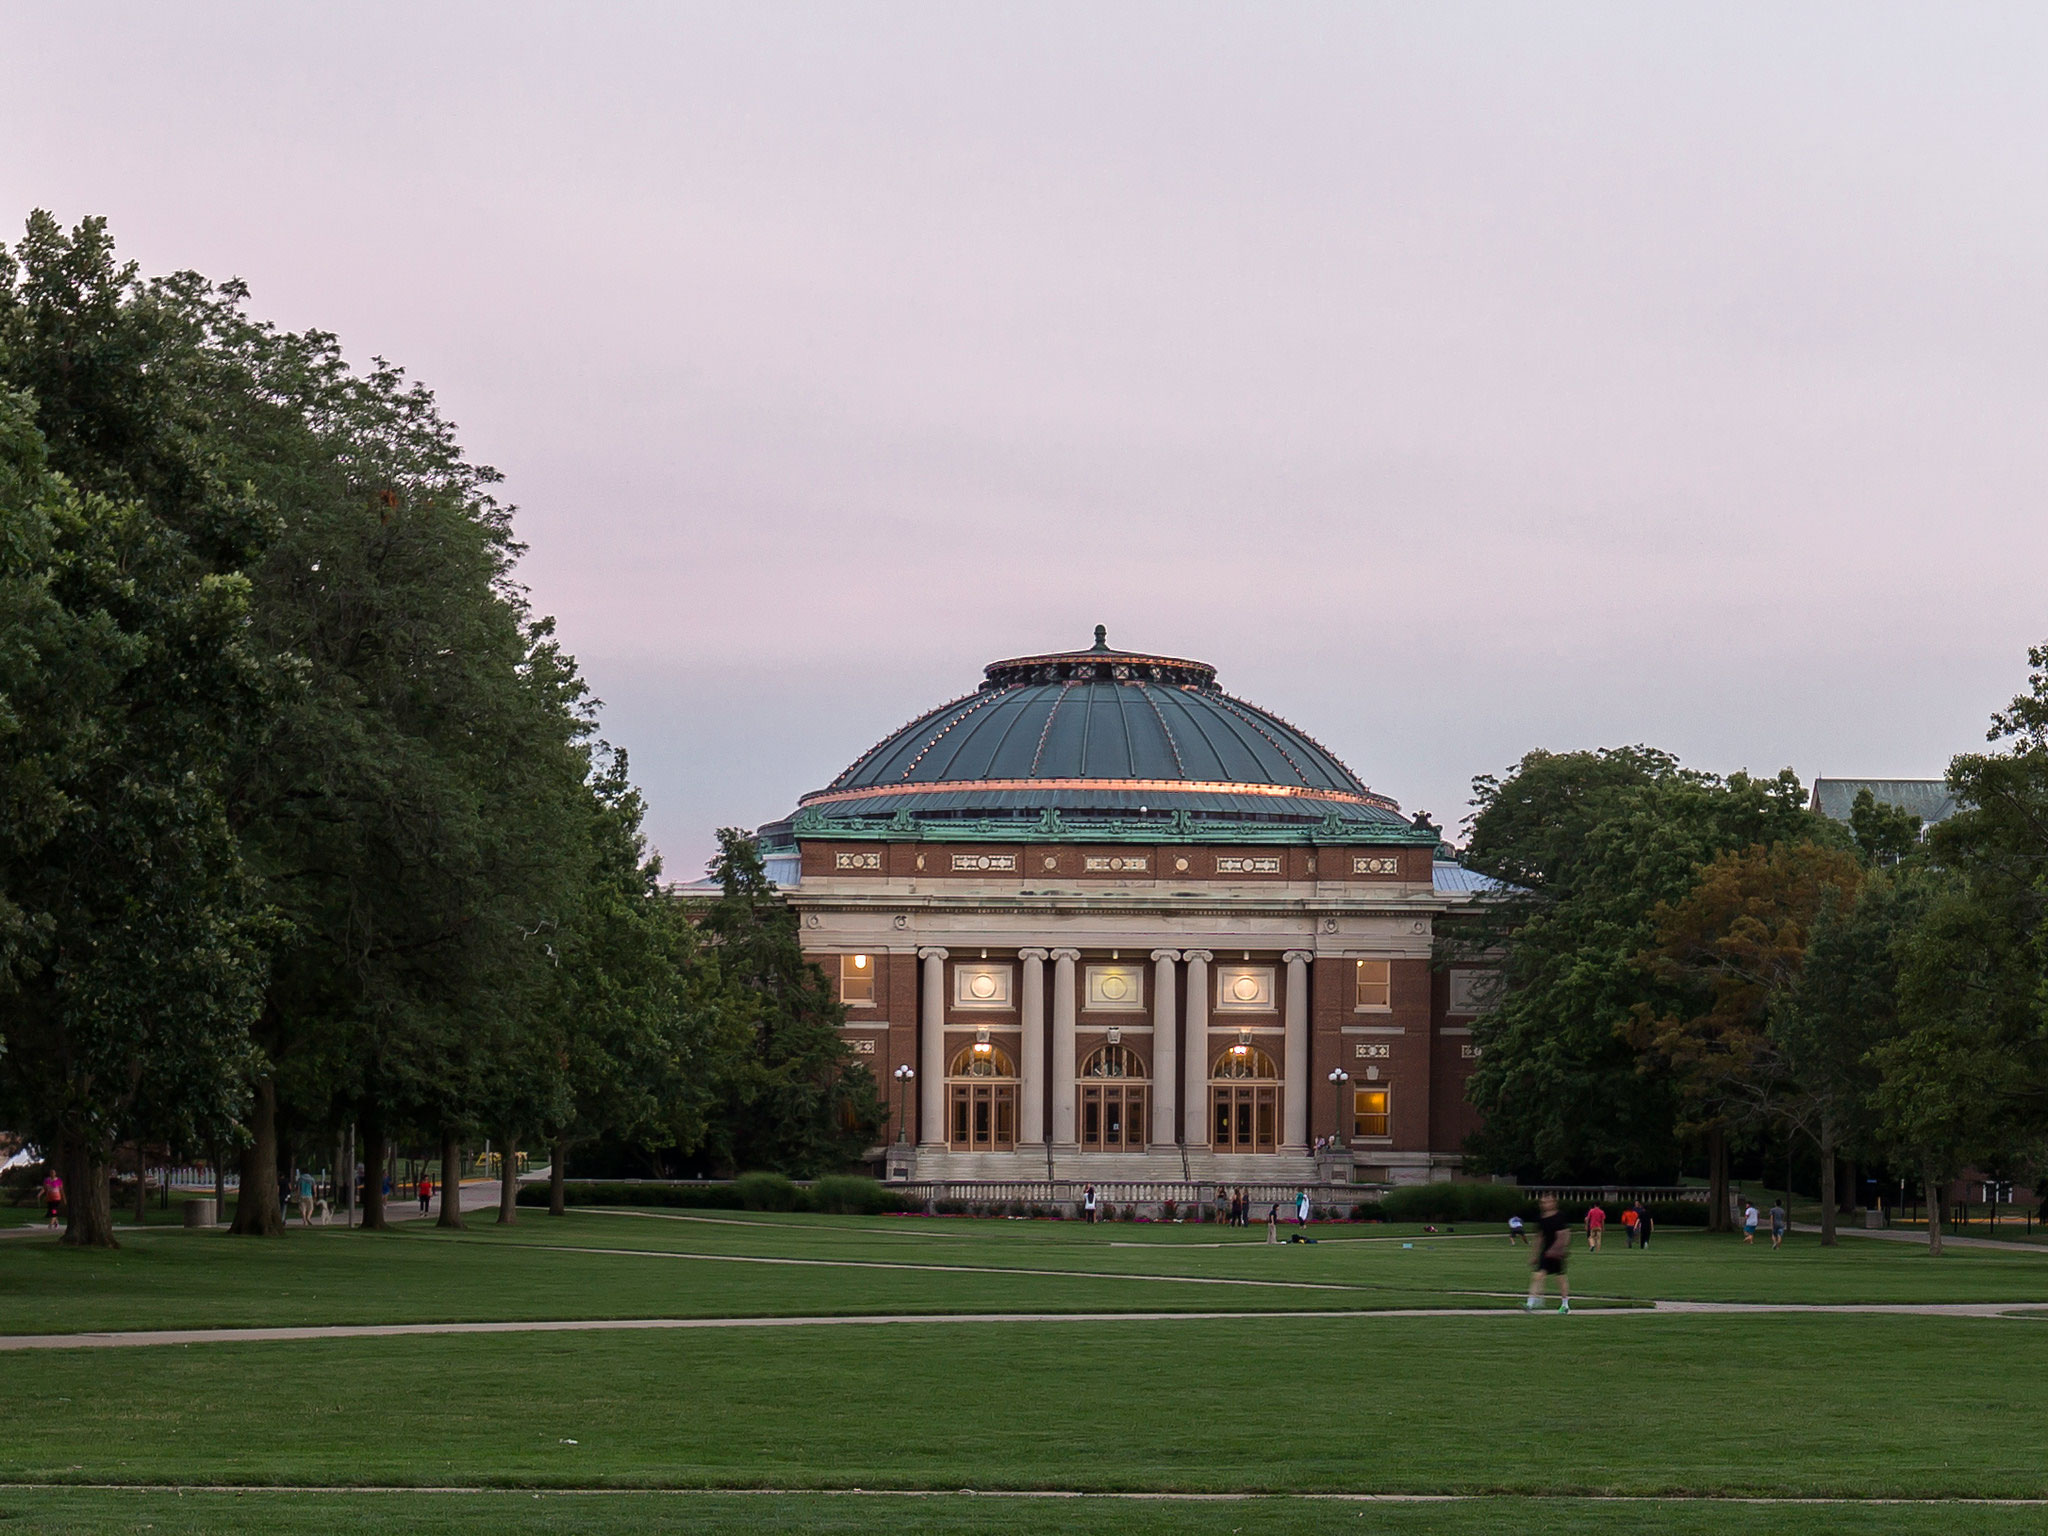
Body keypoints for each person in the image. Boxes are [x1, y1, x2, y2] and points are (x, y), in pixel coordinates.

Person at [1525, 1194, 1571, 1313]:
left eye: (1548, 1202)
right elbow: (1539, 1237)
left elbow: (1564, 1234)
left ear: (1554, 1203)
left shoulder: (1560, 1216)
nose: (1545, 1205)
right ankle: (1530, 1303)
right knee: (1537, 1276)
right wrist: (1534, 1255)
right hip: (1546, 1251)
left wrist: (1559, 1249)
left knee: (1560, 1278)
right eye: (1543, 1202)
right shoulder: (1541, 1218)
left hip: (1557, 1252)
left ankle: (1565, 1305)